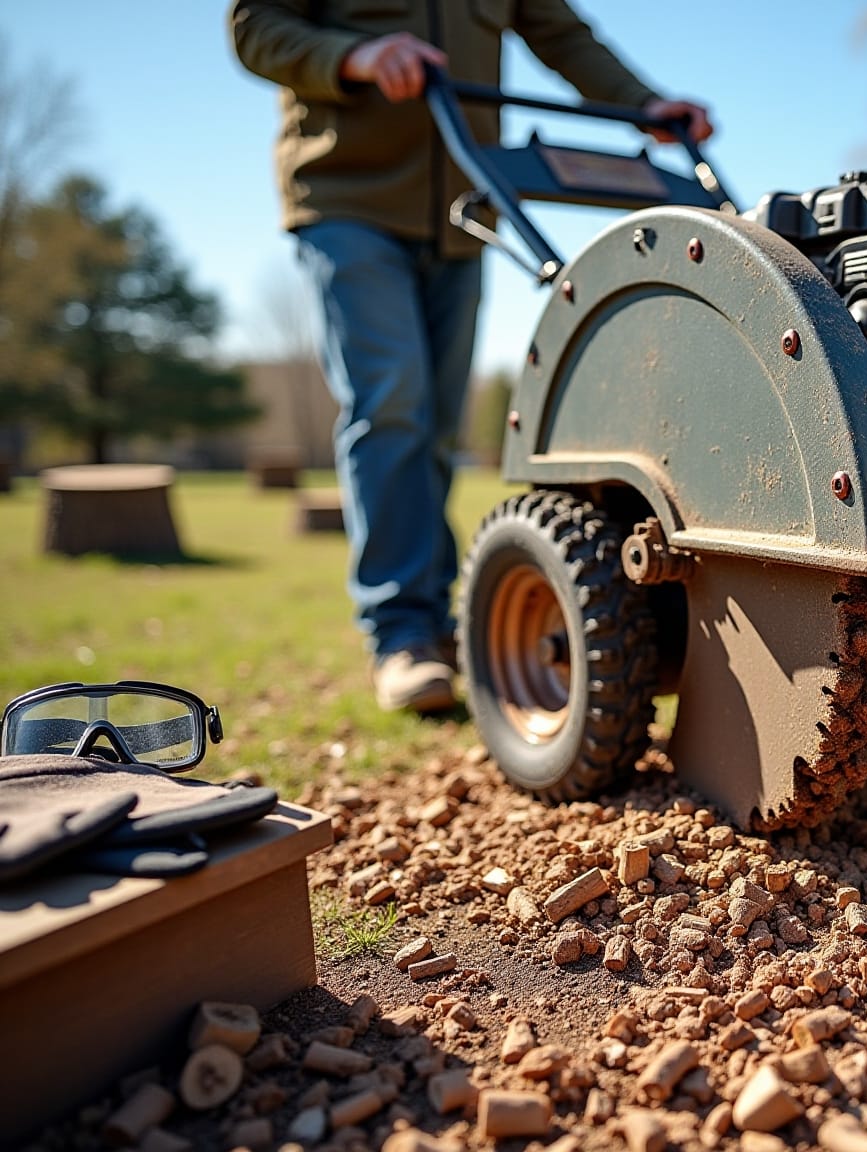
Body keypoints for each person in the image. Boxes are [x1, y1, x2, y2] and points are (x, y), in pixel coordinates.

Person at [229, 1, 712, 713]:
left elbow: (560, 33)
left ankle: (437, 621)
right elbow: (255, 28)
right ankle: (401, 634)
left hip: (463, 202)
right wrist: (353, 58)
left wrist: (640, 103)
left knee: (440, 425)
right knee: (392, 400)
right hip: (349, 198)